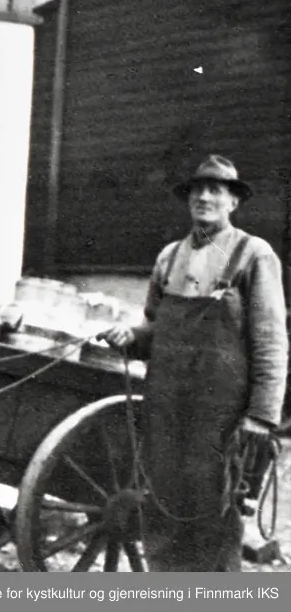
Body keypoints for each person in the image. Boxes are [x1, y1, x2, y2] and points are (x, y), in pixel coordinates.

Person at [99, 154, 288, 571]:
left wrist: (261, 416)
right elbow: (154, 326)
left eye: (215, 190)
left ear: (233, 202)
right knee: (163, 502)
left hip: (220, 411)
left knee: (213, 510)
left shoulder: (254, 254)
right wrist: (131, 336)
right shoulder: (169, 256)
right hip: (165, 401)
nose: (204, 197)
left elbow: (272, 341)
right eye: (197, 190)